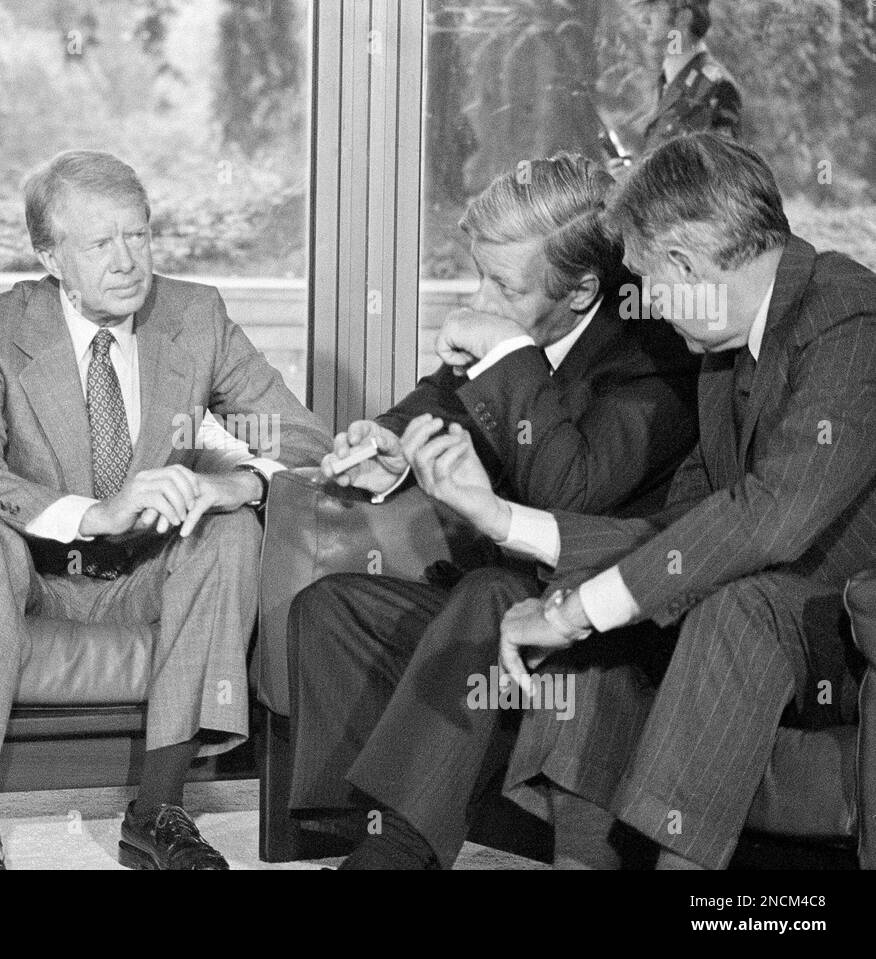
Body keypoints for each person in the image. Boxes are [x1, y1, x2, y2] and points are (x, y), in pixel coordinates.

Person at [413, 133, 876, 870]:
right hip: (783, 613)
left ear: (687, 265)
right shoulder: (724, 357)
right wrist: (503, 521)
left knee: (719, 608)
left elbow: (772, 511)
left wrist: (578, 611)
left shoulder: (846, 319)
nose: (648, 306)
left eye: (648, 283)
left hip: (848, 635)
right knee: (615, 603)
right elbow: (679, 525)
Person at [287, 154, 700, 869]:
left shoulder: (656, 353)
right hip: (509, 603)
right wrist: (388, 440)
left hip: (617, 620)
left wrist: (508, 352)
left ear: (580, 291)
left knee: (486, 593)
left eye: (502, 285)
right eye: (477, 273)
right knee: (330, 608)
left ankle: (399, 856)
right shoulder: (517, 326)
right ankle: (369, 829)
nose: (480, 301)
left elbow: (573, 491)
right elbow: (440, 398)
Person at [0, 149, 331, 870]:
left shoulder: (196, 313)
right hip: (35, 573)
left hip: (150, 571)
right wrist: (92, 514)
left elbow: (303, 442)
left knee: (232, 529)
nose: (128, 261)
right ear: (49, 256)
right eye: (100, 243)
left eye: (138, 235)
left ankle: (160, 811)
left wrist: (240, 484)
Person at [608, 0, 741, 176]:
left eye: (653, 10)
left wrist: (638, 179)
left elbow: (719, 178)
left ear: (683, 18)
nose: (643, 19)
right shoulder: (666, 81)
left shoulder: (717, 86)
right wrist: (630, 176)